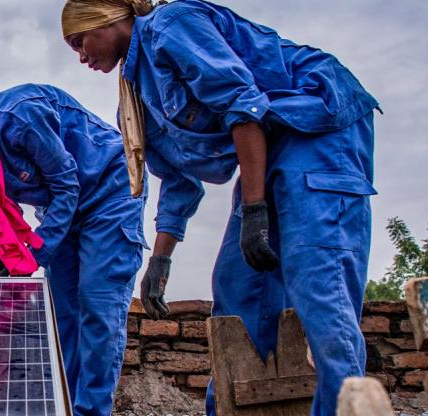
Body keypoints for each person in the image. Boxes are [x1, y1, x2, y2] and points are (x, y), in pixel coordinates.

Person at [58, 1, 379, 415]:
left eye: (80, 41)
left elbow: (243, 104)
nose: (81, 56)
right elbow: (178, 181)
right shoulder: (135, 102)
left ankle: (345, 405)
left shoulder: (169, 27)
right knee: (238, 286)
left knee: (316, 278)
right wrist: (160, 261)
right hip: (262, 152)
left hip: (314, 122)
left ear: (107, 19)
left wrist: (255, 210)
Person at [0, 77, 146, 416]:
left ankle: (91, 412)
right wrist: (3, 257)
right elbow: (4, 214)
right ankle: (66, 407)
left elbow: (67, 185)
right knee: (62, 316)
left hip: (107, 192)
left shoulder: (20, 117)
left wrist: (33, 255)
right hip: (61, 210)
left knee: (97, 306)